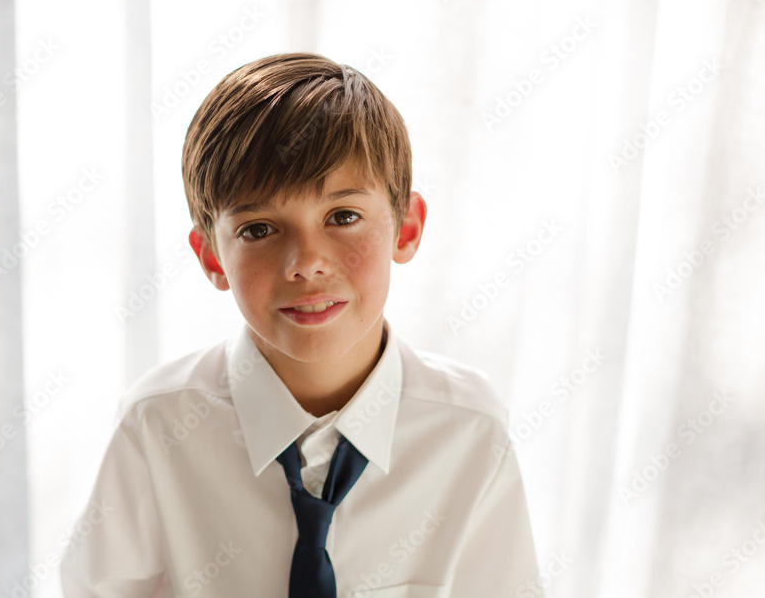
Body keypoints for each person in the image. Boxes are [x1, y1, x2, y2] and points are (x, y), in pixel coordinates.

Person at [60, 52, 540, 597]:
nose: (306, 262)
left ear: (405, 228)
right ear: (213, 258)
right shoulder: (157, 425)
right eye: (260, 229)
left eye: (343, 217)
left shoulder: (470, 431)